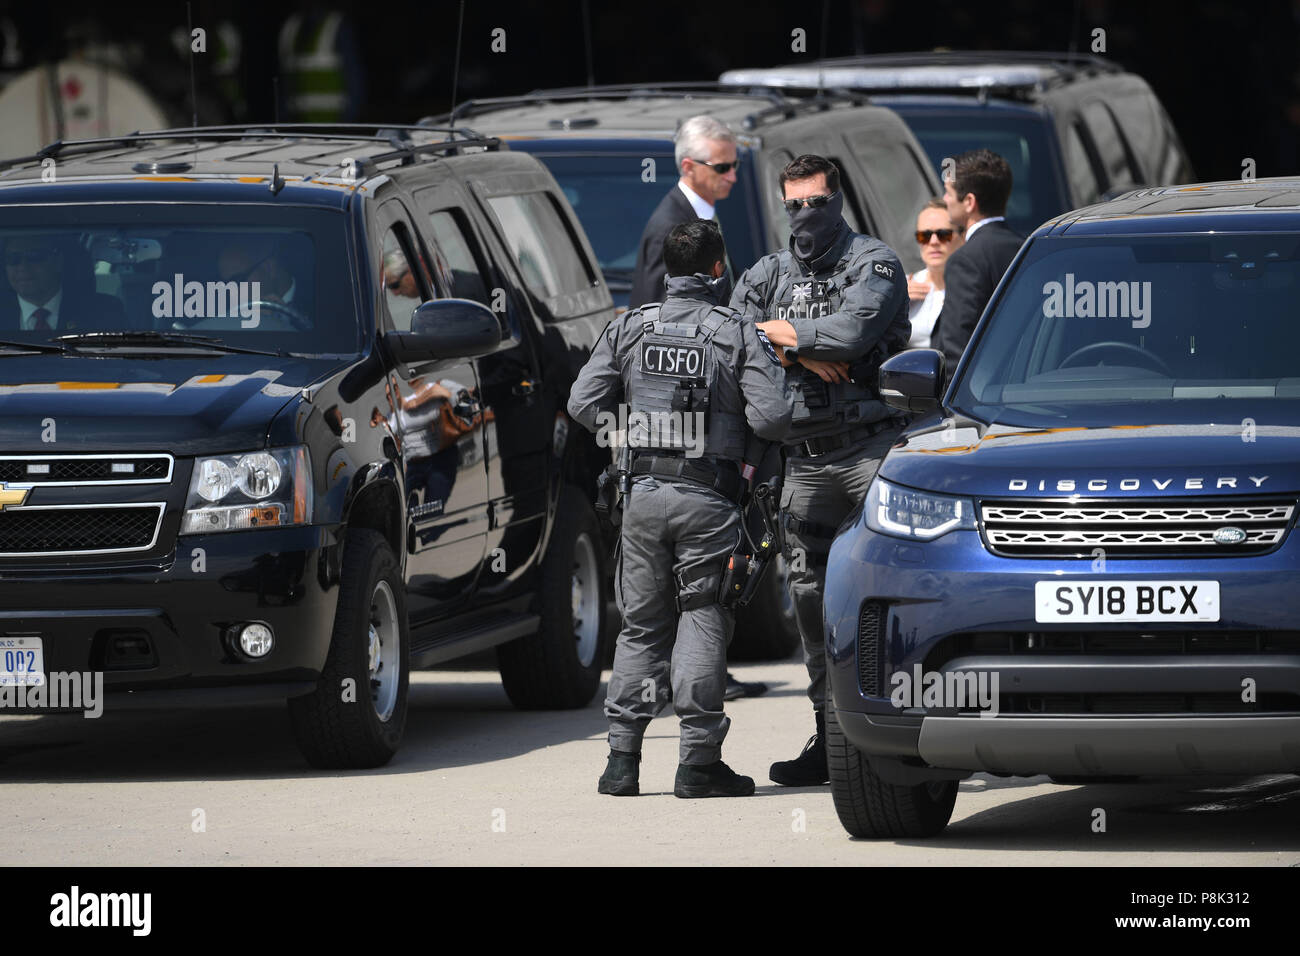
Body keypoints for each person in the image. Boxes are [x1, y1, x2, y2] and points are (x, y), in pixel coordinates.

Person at [568, 220, 791, 798]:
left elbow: (581, 403)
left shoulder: (631, 327)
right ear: (718, 270)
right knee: (702, 617)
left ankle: (621, 761)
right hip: (707, 500)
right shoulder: (737, 333)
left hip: (640, 496)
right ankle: (697, 763)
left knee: (641, 626)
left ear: (667, 269)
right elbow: (771, 419)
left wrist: (630, 437)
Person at [729, 154, 911, 788]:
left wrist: (792, 340)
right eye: (796, 204)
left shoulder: (874, 261)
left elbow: (855, 330)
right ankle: (829, 734)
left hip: (868, 453)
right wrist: (805, 348)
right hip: (803, 464)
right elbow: (732, 336)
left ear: (838, 198)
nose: (808, 214)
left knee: (883, 591)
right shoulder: (768, 271)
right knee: (808, 596)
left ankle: (899, 732)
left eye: (818, 202)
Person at [627, 115, 739, 311]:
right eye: (722, 168)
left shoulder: (706, 214)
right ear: (689, 167)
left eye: (734, 165)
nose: (732, 176)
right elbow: (661, 311)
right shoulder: (670, 228)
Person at [929, 149, 1022, 378]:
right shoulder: (1028, 249)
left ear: (969, 202)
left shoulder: (966, 260)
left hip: (978, 400)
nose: (945, 199)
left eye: (948, 193)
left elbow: (957, 350)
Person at [0, 235, 126, 331]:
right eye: (13, 259)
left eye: (34, 256)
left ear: (58, 261)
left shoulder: (104, 311)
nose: (22, 267)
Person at [907, 198, 964, 349]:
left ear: (962, 238)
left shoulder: (973, 289)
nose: (933, 242)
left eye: (943, 234)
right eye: (924, 236)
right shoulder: (903, 287)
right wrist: (894, 303)